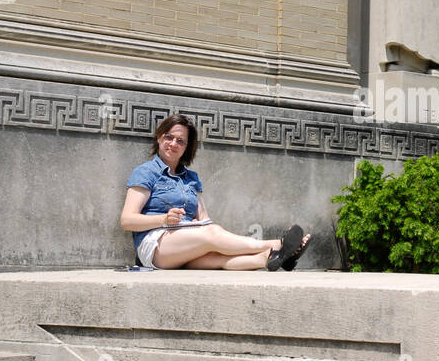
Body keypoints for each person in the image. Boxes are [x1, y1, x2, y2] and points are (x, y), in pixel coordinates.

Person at [119, 113, 310, 270]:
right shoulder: (146, 172)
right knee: (212, 233)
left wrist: (199, 225)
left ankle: (274, 257)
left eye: (180, 141)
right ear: (159, 137)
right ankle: (278, 244)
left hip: (187, 242)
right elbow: (127, 221)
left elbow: (204, 219)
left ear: (187, 148)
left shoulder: (191, 178)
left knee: (219, 258)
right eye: (169, 137)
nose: (173, 144)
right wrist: (163, 219)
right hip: (156, 245)